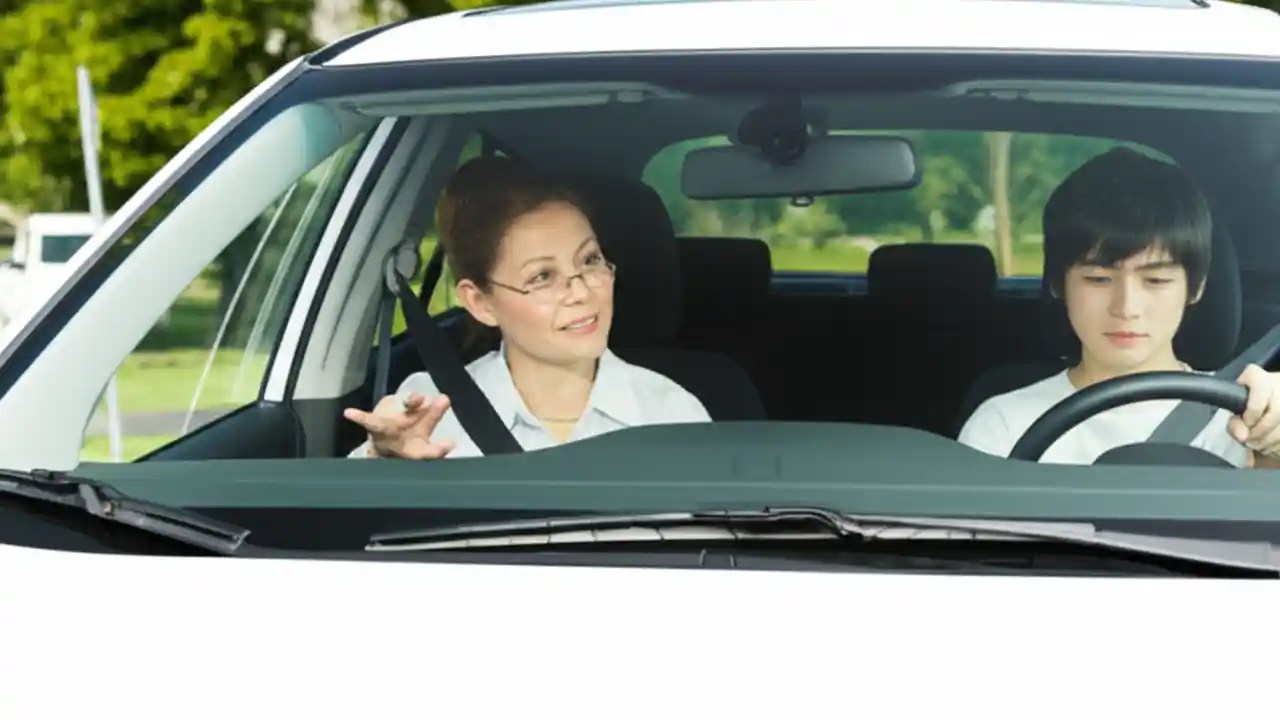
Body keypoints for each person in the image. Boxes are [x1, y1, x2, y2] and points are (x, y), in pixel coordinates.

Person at [344, 156, 710, 460]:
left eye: (590, 259)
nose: (582, 291)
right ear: (480, 302)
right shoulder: (430, 409)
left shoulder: (672, 411)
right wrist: (380, 461)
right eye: (543, 277)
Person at [958, 147, 1280, 467]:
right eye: (1098, 279)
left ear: (1195, 288)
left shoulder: (1252, 413)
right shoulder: (1003, 425)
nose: (1126, 307)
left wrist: (1271, 453)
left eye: (1155, 281)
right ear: (1058, 283)